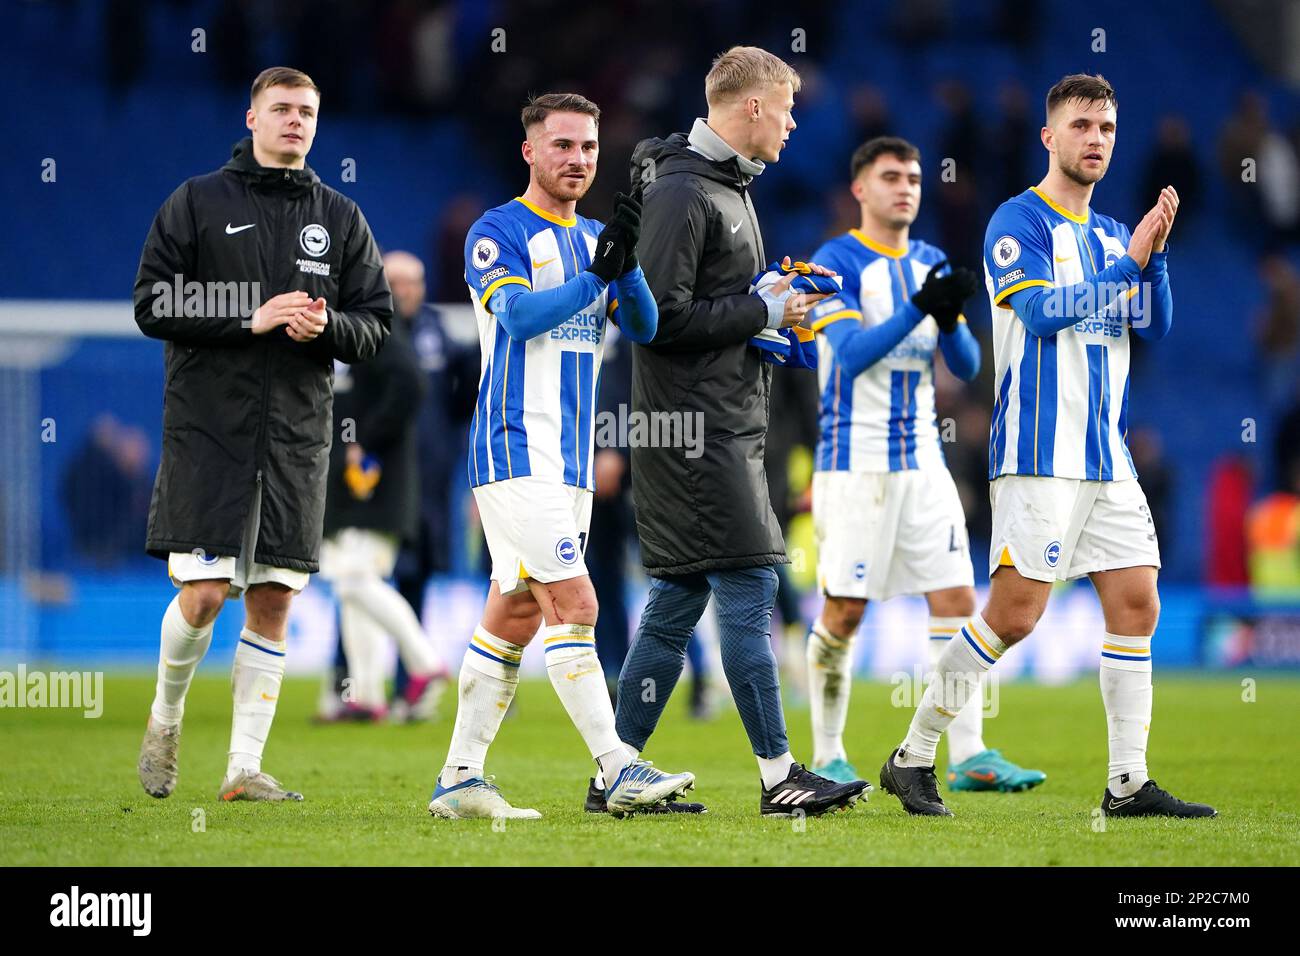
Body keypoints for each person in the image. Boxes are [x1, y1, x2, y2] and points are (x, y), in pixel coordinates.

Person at [878, 74, 1215, 818]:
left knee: (1137, 601)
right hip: (1038, 452)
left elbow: (1152, 328)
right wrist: (1127, 265)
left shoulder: (1106, 232)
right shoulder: (1017, 222)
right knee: (1017, 615)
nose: (1096, 139)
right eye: (1083, 126)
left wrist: (1152, 256)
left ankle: (1127, 782)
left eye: (1107, 129)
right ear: (1049, 136)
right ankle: (912, 756)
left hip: (1106, 453)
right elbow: (1038, 313)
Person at [614, 46, 870, 817]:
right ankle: (780, 775)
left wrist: (776, 308)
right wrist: (762, 311)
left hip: (720, 422)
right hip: (693, 432)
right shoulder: (683, 192)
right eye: (785, 108)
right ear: (751, 107)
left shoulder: (725, 188)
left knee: (677, 598)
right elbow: (656, 322)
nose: (793, 124)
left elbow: (712, 309)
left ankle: (614, 769)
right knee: (754, 578)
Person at [428, 92, 695, 820]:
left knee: (514, 615)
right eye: (563, 146)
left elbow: (644, 326)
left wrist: (627, 263)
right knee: (575, 602)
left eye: (587, 148)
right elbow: (516, 316)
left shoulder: (599, 239)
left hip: (570, 462)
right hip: (513, 448)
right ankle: (617, 768)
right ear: (530, 152)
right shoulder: (498, 231)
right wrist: (593, 279)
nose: (577, 160)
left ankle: (458, 778)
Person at [133, 66, 392, 802]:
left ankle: (244, 767)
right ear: (251, 119)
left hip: (295, 440)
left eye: (307, 111)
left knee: (274, 598)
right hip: (210, 432)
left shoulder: (341, 217)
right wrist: (250, 317)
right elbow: (153, 301)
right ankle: (166, 718)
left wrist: (327, 326)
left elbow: (375, 326)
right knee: (207, 592)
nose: (295, 121)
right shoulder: (196, 202)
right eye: (281, 109)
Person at [804, 136, 1045, 793]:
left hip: (922, 463)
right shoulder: (834, 262)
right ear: (860, 189)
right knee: (846, 610)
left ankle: (969, 753)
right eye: (890, 177)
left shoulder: (932, 260)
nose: (906, 187)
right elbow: (850, 357)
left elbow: (966, 370)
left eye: (913, 177)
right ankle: (828, 753)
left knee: (958, 599)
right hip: (853, 464)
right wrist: (919, 308)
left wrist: (951, 323)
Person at [317, 251, 451, 722]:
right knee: (352, 586)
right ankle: (367, 695)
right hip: (353, 484)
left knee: (355, 580)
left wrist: (365, 443)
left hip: (377, 483)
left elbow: (411, 384)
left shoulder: (379, 327)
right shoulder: (357, 326)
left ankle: (424, 662)